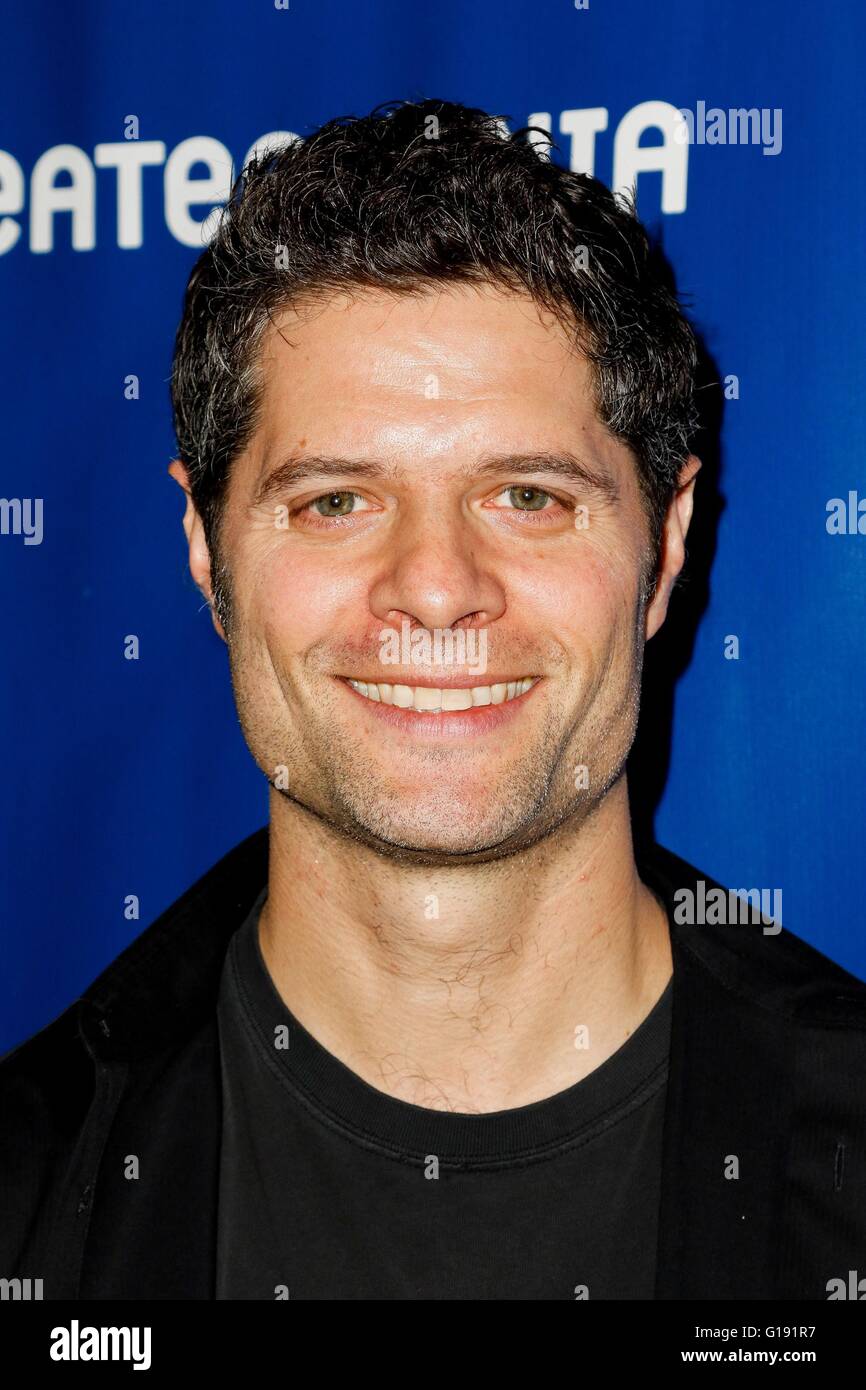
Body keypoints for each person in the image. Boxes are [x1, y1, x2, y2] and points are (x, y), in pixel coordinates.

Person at [2, 98, 864, 1302]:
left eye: (526, 496)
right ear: (207, 553)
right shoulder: (28, 1193)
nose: (436, 589)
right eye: (335, 502)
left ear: (664, 549)